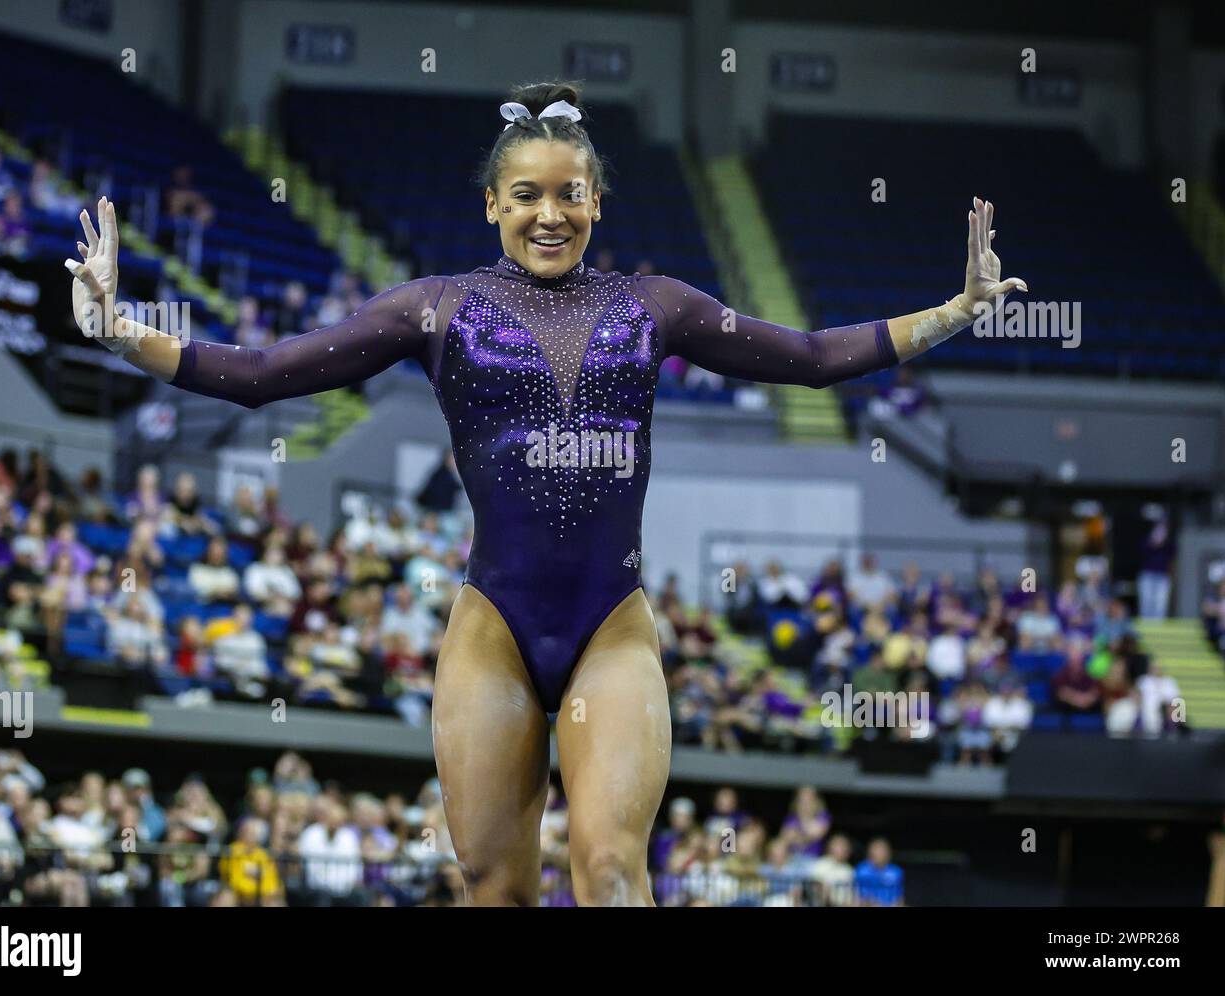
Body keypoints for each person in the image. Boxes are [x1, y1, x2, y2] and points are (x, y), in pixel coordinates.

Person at [64, 81, 1025, 907]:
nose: (549, 214)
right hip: (495, 631)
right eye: (527, 196)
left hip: (612, 624)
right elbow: (267, 370)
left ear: (597, 202)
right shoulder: (434, 309)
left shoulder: (657, 308)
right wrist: (120, 331)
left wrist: (957, 310)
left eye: (570, 195)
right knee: (499, 888)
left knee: (609, 870)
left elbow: (813, 360)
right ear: (492, 203)